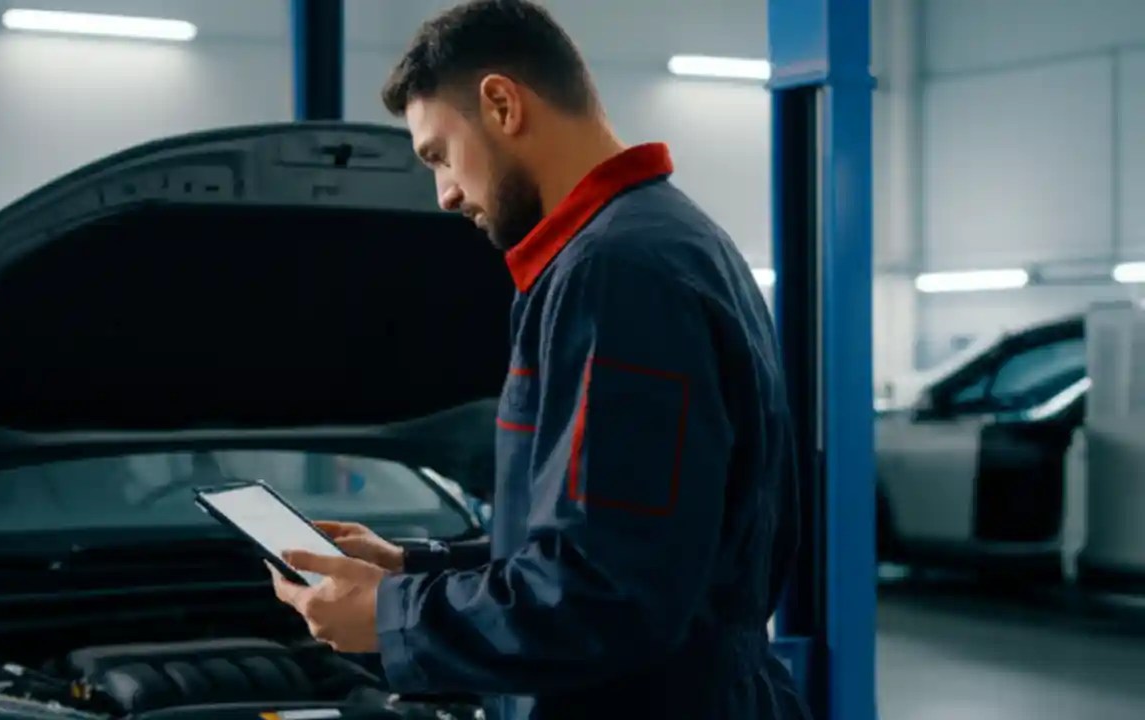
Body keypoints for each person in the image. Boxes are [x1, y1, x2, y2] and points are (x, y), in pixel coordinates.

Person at [267, 1, 809, 718]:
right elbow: (613, 543)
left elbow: (604, 594)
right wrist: (412, 567)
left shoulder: (618, 272)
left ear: (502, 104)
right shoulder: (660, 241)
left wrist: (392, 616)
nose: (445, 194)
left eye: (439, 154)